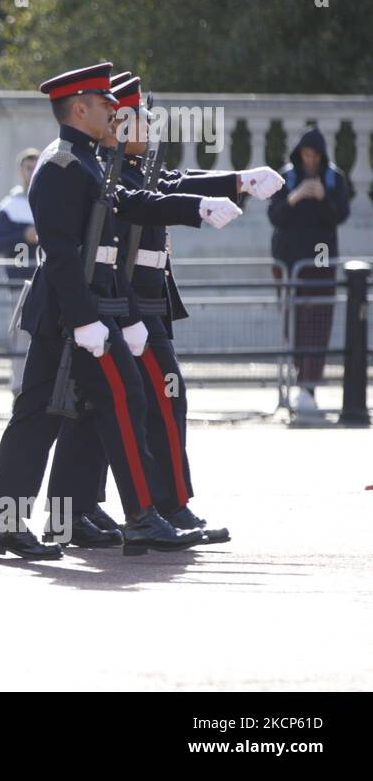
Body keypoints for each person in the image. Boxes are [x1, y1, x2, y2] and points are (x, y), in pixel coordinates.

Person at [0, 62, 244, 560]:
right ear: (80, 108)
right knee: (55, 413)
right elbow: (60, 253)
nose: (113, 112)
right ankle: (131, 519)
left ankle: (87, 520)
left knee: (97, 407)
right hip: (69, 312)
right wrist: (83, 320)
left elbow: (128, 206)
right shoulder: (61, 165)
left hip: (93, 305)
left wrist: (197, 208)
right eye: (105, 105)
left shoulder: (86, 161)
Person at [42, 73, 282, 547]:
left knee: (107, 409)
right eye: (138, 121)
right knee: (141, 403)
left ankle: (82, 511)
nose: (148, 130)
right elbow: (144, 204)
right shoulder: (95, 168)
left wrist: (237, 182)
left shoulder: (117, 168)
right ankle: (159, 506)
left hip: (137, 304)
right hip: (125, 305)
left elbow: (176, 182)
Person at [268, 127, 351, 413]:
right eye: (306, 154)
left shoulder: (334, 179)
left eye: (315, 155)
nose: (311, 160)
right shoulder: (287, 177)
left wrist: (322, 197)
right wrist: (295, 195)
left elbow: (338, 216)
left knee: (317, 323)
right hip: (288, 263)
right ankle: (300, 379)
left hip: (319, 263)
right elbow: (275, 215)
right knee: (294, 322)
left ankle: (309, 386)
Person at [0, 147, 40, 395]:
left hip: (46, 278)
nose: (32, 173)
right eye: (28, 167)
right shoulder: (10, 206)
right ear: (21, 171)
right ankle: (19, 386)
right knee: (20, 335)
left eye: (36, 167)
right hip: (19, 279)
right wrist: (23, 235)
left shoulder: (47, 200)